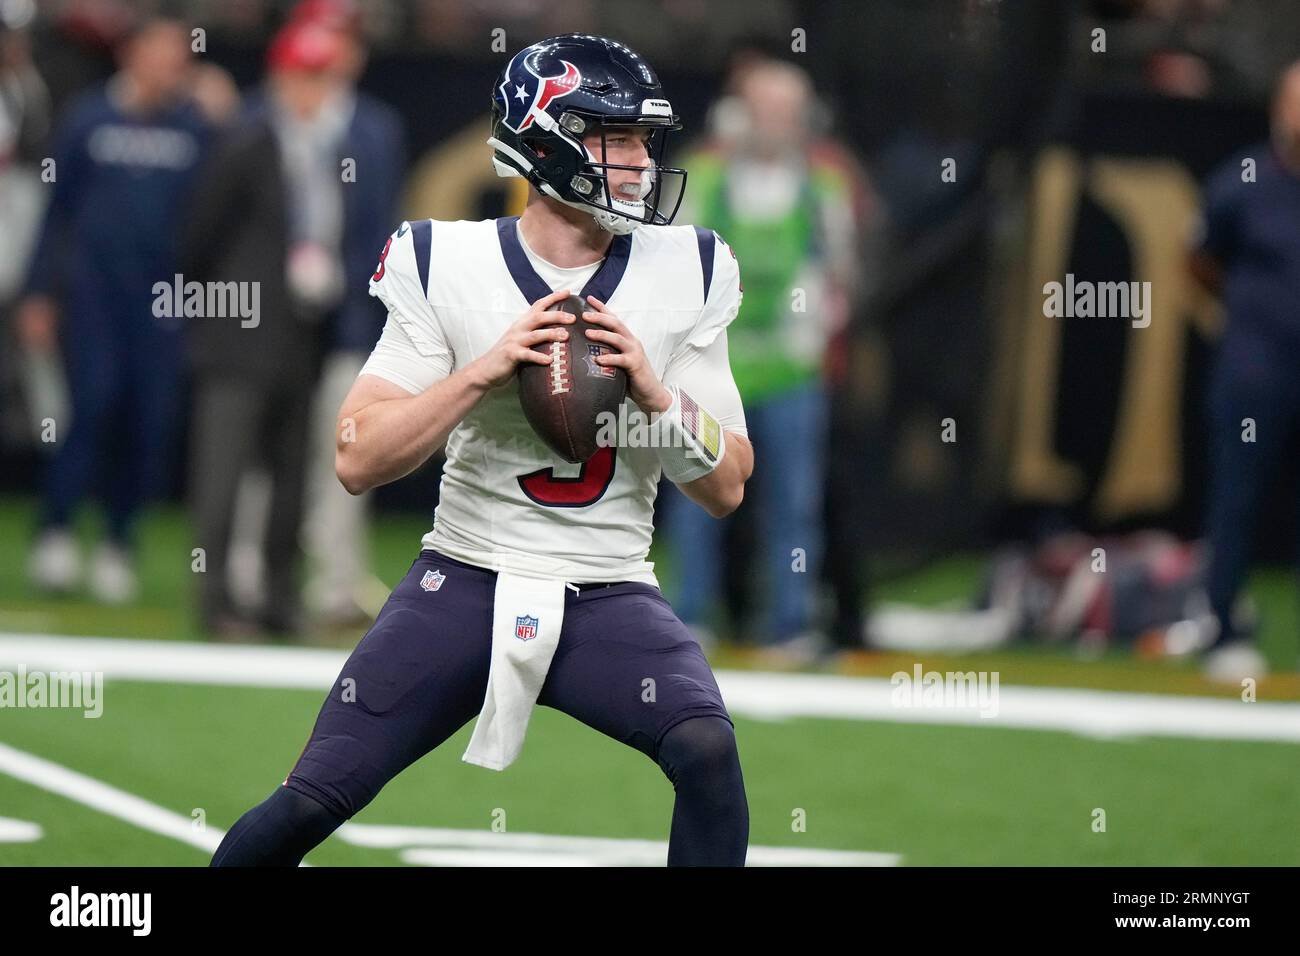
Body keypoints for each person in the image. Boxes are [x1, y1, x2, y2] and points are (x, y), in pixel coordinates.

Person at [211, 34, 753, 867]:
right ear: (546, 139)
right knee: (309, 802)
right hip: (464, 576)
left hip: (609, 587)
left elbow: (727, 485)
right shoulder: (447, 261)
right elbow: (357, 457)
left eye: (647, 140)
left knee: (708, 751)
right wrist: (481, 374)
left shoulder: (691, 267)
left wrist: (656, 394)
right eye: (618, 138)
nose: (643, 161)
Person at [666, 57, 861, 660]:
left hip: (790, 370)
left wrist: (819, 329)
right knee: (693, 494)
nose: (775, 123)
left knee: (794, 503)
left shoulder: (825, 185)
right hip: (708, 368)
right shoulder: (702, 176)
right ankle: (688, 616)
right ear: (736, 113)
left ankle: (789, 623)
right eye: (763, 108)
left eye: (787, 111)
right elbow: (671, 264)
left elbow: (845, 273)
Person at [18, 14, 212, 603]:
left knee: (148, 423)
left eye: (179, 53)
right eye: (159, 51)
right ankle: (54, 533)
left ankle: (118, 544)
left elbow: (215, 212)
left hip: (164, 304)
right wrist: (37, 291)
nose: (169, 63)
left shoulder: (195, 127)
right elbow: (57, 212)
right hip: (93, 299)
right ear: (133, 54)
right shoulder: (89, 118)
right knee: (91, 409)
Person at [1189, 60, 1300, 682]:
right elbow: (1198, 257)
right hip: (1257, 367)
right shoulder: (1245, 179)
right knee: (1237, 496)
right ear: (1279, 108)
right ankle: (1222, 626)